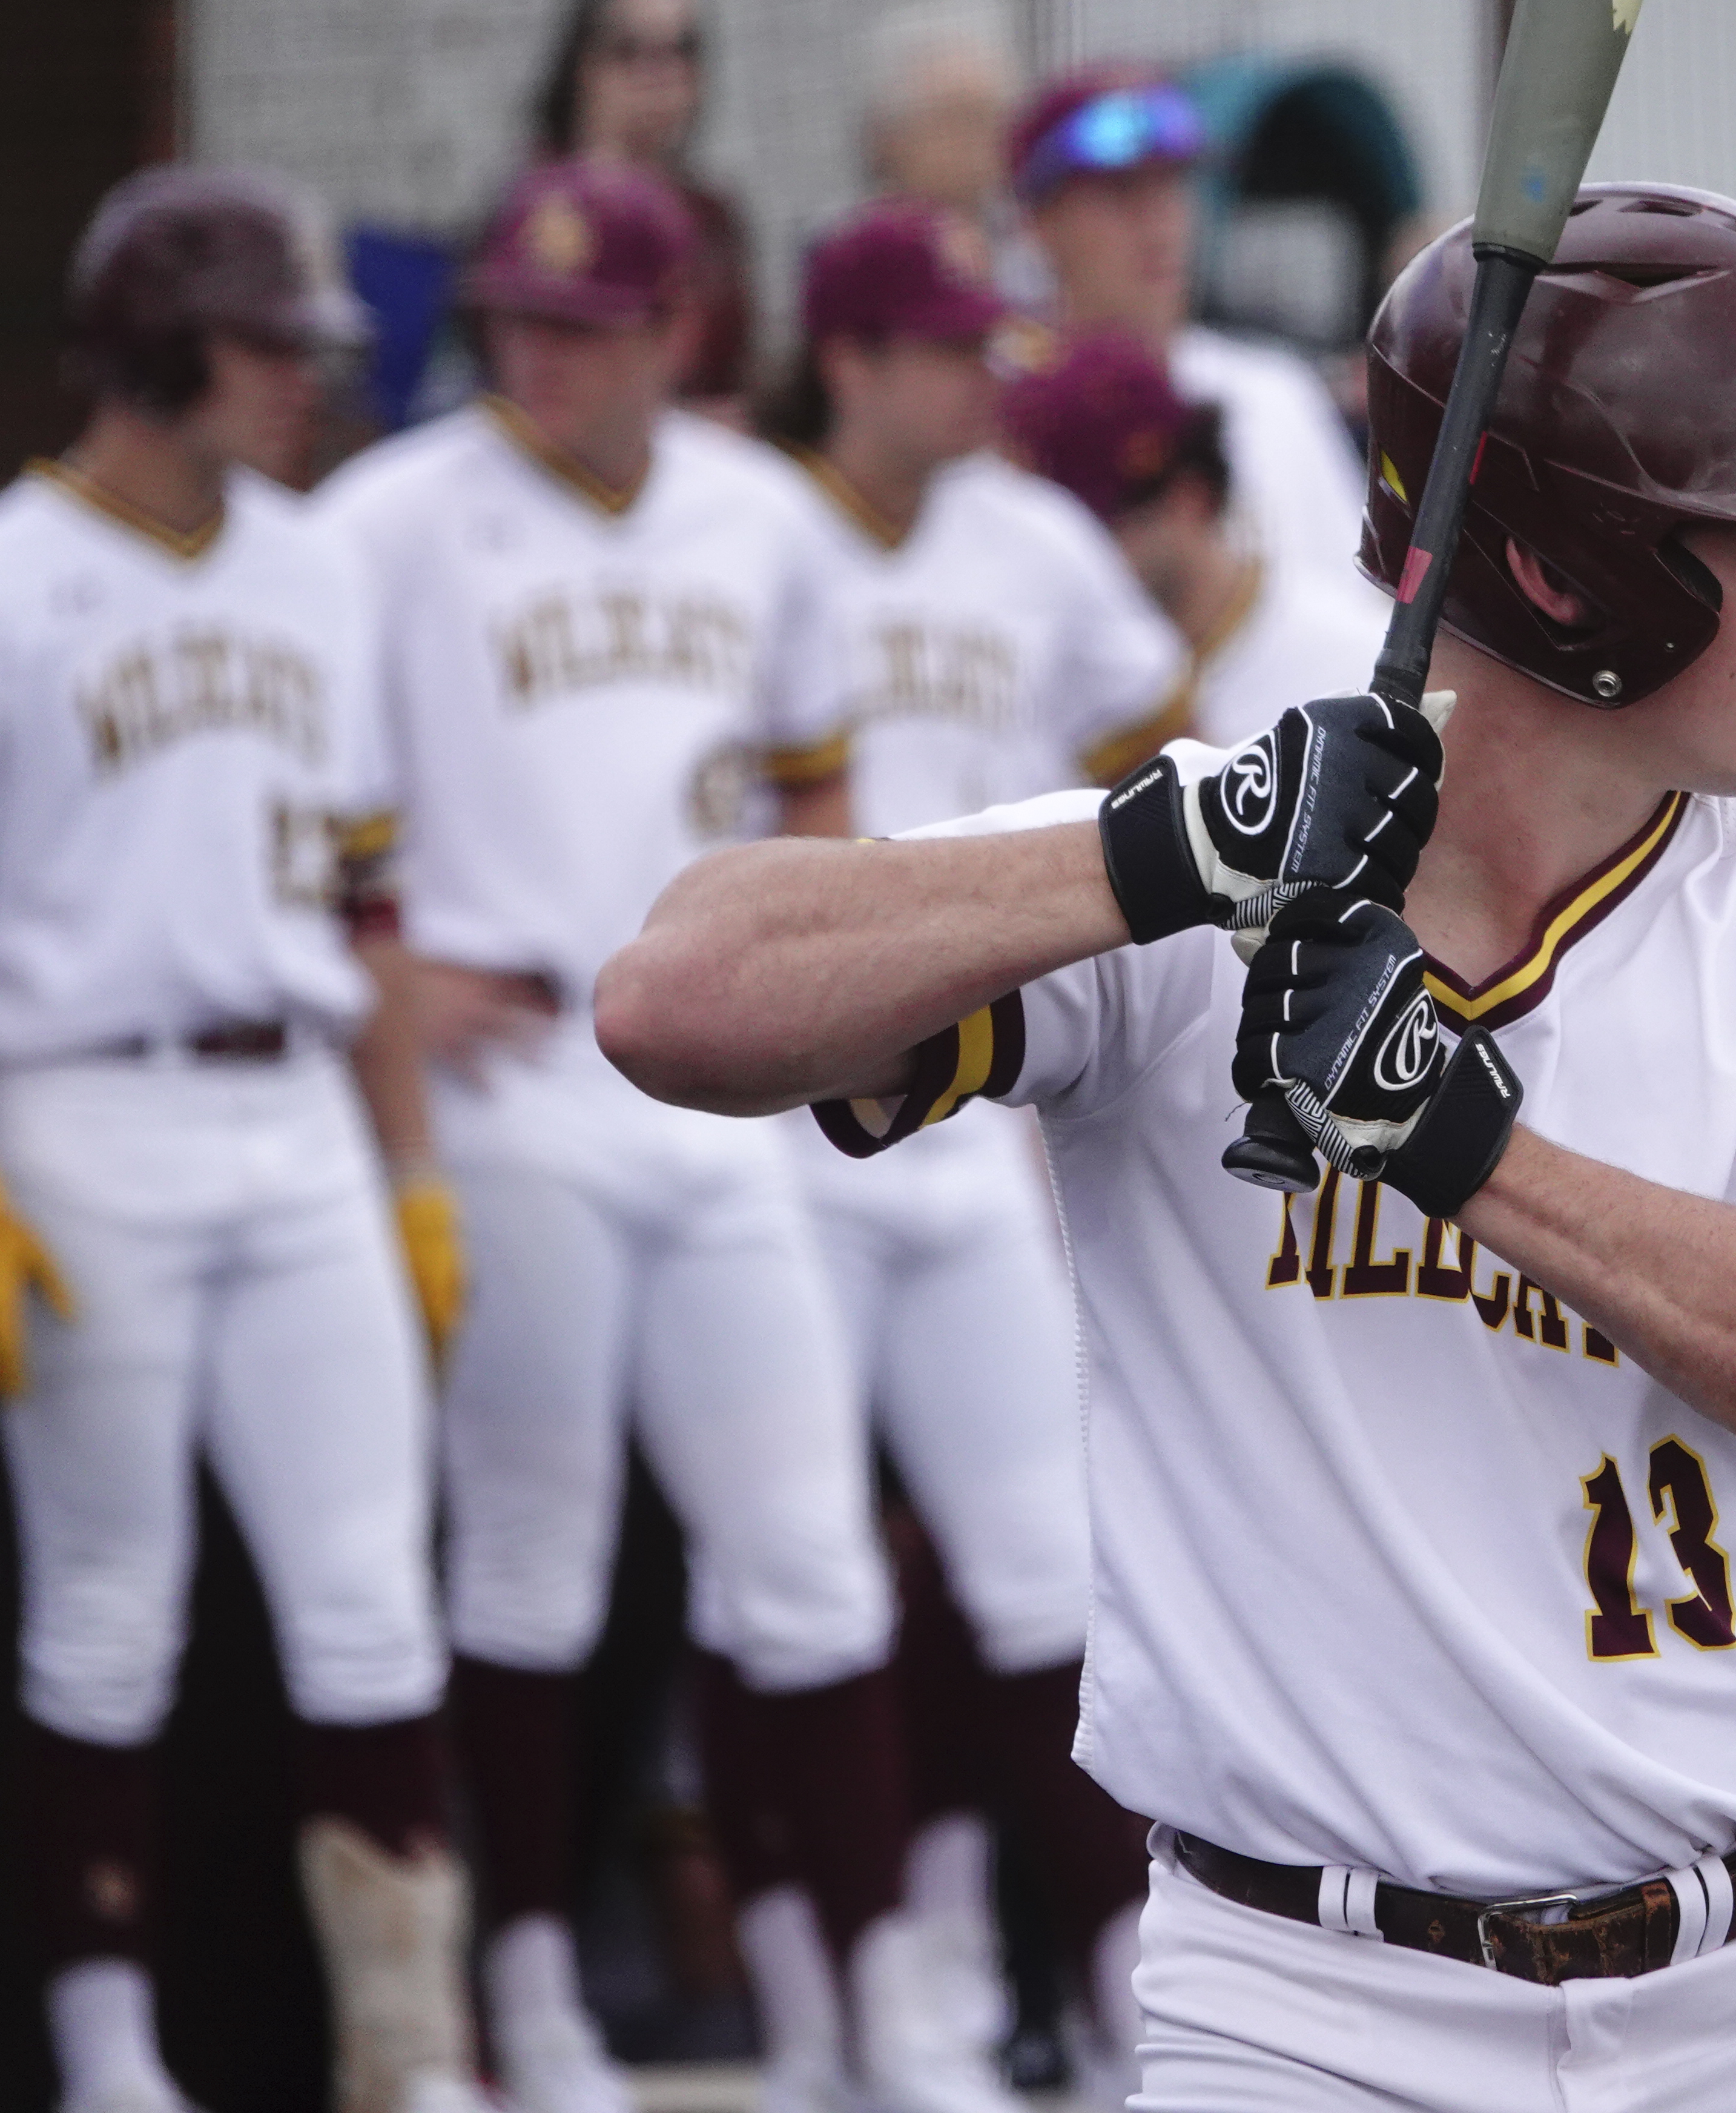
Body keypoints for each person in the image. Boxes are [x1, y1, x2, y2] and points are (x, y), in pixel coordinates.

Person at [596, 182, 1736, 2109]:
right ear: (1577, 574)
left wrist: (1462, 1145)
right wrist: (1155, 858)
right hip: (1304, 2003)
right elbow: (671, 1000)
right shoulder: (1209, 867)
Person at [311, 161, 981, 2113]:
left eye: (585, 322)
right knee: (533, 1562)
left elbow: (824, 803)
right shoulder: (390, 518)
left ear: (678, 330)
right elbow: (293, 793)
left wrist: (845, 987)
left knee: (813, 1570)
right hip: (517, 1087)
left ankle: (878, 2013)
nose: (541, 349)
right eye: (518, 313)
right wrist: (388, 968)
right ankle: (523, 1996)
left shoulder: (757, 514)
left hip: (720, 1111)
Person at [0, 167, 484, 2113]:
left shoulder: (318, 566)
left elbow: (371, 907)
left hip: (296, 1105)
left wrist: (413, 1176)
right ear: (156, 345)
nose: (303, 385)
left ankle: (406, 2052)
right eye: (264, 346)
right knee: (103, 1605)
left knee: (369, 1597)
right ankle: (103, 2060)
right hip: (77, 1099)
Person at [755, 194, 1184, 2099]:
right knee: (787, 1572)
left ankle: (1114, 1985)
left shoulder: (1034, 535)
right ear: (843, 360)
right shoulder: (742, 522)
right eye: (940, 347)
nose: (980, 377)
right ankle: (829, 2002)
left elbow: (1158, 757)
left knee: (1042, 1566)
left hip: (991, 1090)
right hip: (778, 1110)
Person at [1009, 67, 1370, 582]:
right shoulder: (1005, 414)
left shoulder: (1273, 396)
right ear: (1036, 222)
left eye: (1173, 184)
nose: (1157, 219)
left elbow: (1355, 615)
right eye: (1120, 191)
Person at [999, 326, 1377, 768]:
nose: (1063, 552)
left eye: (1094, 530)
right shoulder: (1041, 667)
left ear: (1189, 499)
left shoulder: (1356, 672)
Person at [524, 0, 759, 421]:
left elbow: (732, 382)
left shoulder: (713, 218)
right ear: (582, 65)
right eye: (630, 50)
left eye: (683, 50)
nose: (662, 74)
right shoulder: (529, 210)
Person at [857, 0, 1038, 312]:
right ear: (886, 136)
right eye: (956, 117)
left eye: (992, 116)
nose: (980, 139)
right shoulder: (855, 261)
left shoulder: (1034, 249)